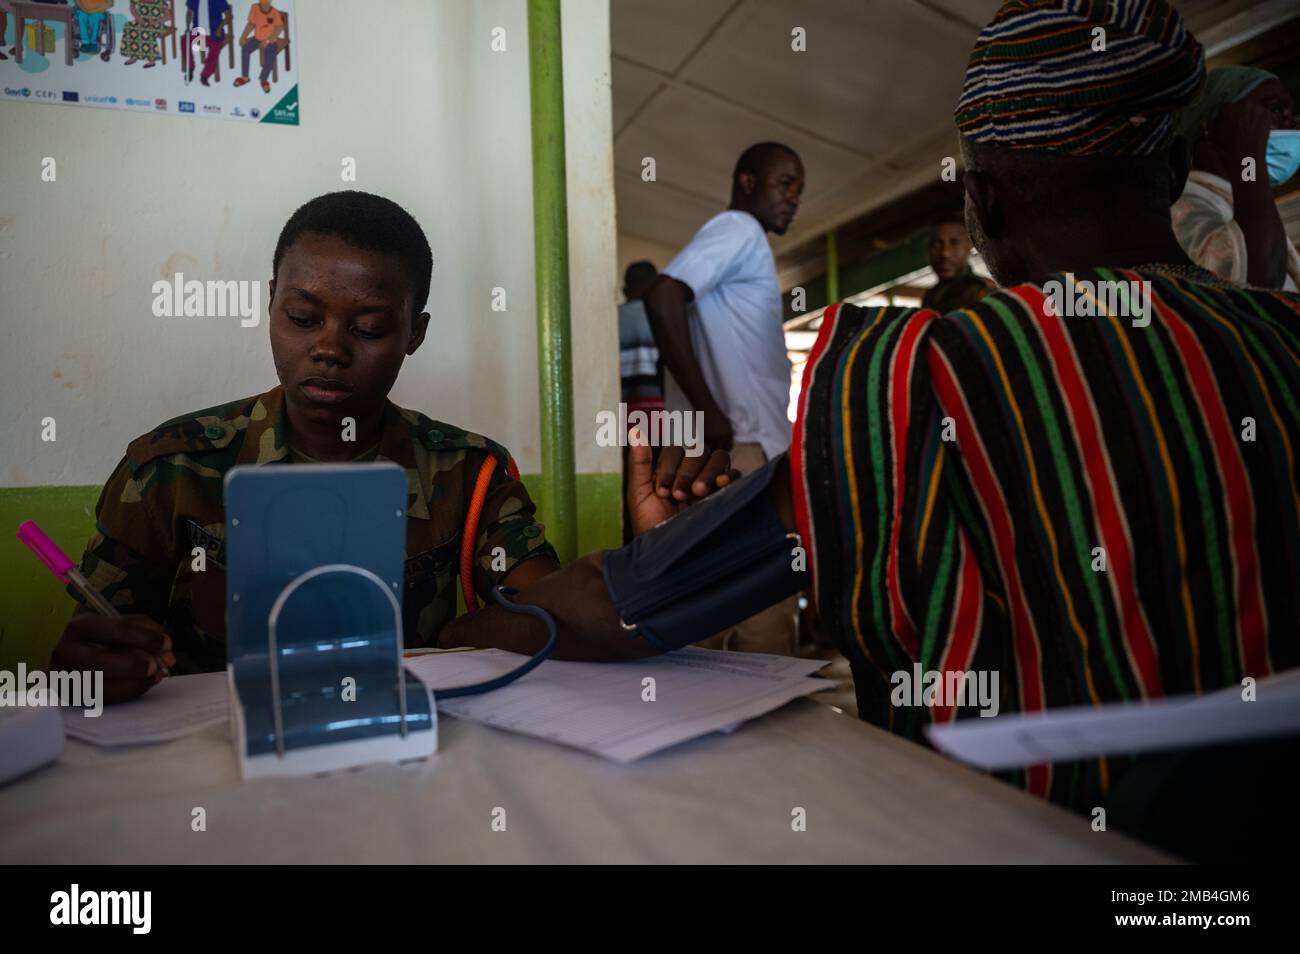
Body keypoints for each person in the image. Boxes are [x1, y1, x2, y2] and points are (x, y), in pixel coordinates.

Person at [447, 0, 1300, 860]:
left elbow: (618, 606)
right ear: (1183, 164)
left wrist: (450, 640)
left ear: (984, 203)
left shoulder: (929, 371)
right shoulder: (1286, 336)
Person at [49, 191, 737, 702]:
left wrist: (659, 557)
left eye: (370, 327)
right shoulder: (168, 469)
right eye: (302, 317)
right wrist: (89, 667)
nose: (328, 348)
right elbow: (87, 661)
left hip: (414, 768)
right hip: (216, 780)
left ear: (415, 333)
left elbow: (548, 621)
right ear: (269, 305)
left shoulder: (471, 475)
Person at [641, 141, 806, 654]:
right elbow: (663, 292)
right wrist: (711, 410)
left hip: (739, 449)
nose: (794, 198)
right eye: (786, 183)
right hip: (743, 451)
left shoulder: (742, 243)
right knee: (765, 622)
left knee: (717, 610)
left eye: (799, 189)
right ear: (748, 182)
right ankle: (775, 734)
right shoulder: (740, 229)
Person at [1171, 66, 1300, 290]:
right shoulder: (1182, 207)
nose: (1294, 125)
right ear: (1210, 124)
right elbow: (1261, 281)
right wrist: (1249, 155)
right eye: (1277, 109)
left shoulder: (1237, 201)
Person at [920, 213, 993, 311]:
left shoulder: (981, 291)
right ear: (927, 249)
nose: (945, 253)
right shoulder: (931, 296)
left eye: (954, 243)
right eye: (937, 244)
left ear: (969, 246)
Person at [233, 0, 284, 94]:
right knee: (245, 49)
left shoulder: (274, 12)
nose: (264, 3)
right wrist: (243, 36)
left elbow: (279, 28)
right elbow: (251, 24)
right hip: (257, 39)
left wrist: (267, 40)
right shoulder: (255, 8)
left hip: (271, 41)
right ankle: (245, 77)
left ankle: (264, 79)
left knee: (270, 56)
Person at [182, 0, 229, 86]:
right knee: (185, 40)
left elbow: (229, 16)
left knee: (215, 49)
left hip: (214, 32)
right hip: (198, 32)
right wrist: (187, 27)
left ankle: (205, 75)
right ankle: (190, 67)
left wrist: (219, 28)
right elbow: (189, 12)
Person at [120, 0, 167, 67]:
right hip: (142, 20)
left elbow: (167, 15)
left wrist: (156, 22)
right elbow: (132, 7)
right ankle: (134, 55)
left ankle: (152, 59)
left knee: (145, 31)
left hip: (156, 22)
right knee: (129, 26)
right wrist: (138, 17)